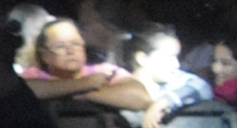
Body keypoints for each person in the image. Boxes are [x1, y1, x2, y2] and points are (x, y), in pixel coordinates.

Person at [19, 19, 154, 115]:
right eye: (60, 46)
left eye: (75, 43)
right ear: (44, 55)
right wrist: (85, 84)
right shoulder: (35, 75)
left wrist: (86, 93)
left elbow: (141, 98)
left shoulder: (105, 71)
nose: (70, 50)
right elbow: (25, 91)